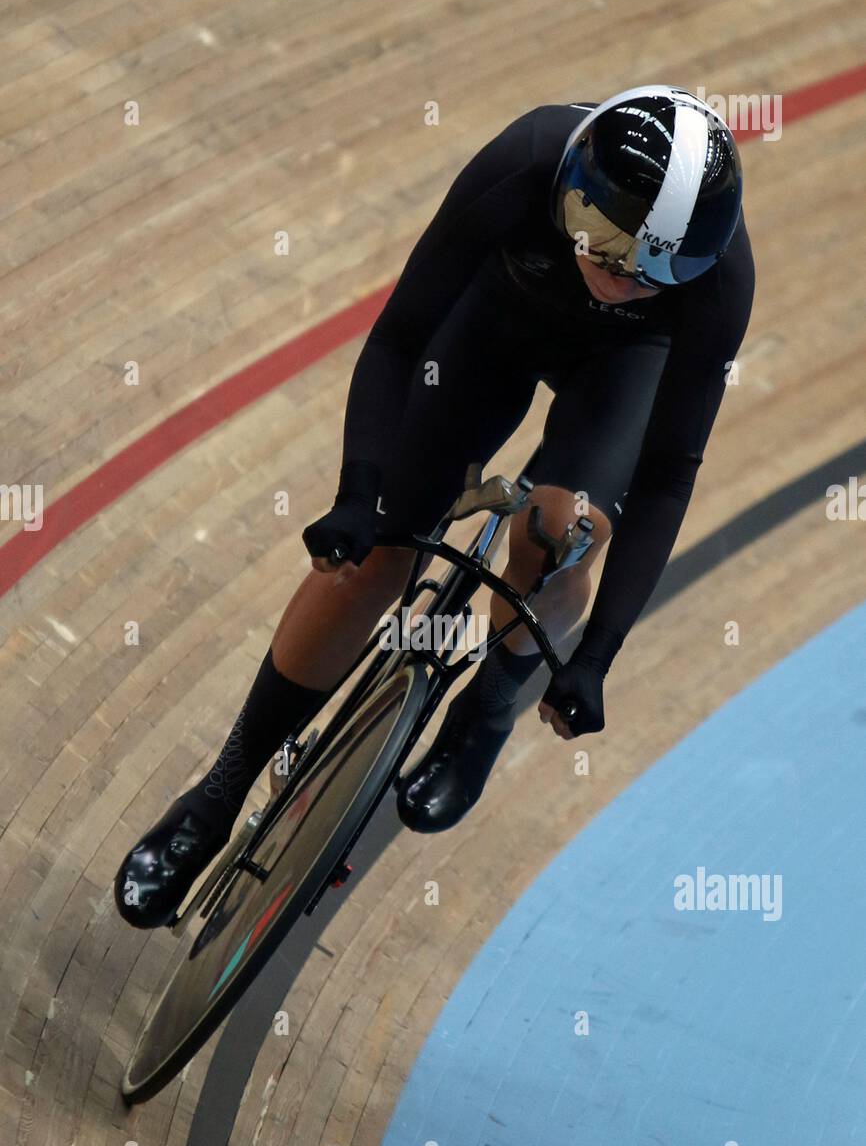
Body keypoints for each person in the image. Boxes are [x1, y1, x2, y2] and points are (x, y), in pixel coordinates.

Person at [114, 85, 754, 929]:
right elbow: (397, 338)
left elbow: (668, 476)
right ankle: (217, 792)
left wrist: (596, 658)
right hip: (500, 317)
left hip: (624, 369)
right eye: (605, 250)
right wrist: (358, 493)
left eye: (659, 274)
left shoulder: (717, 286)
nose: (622, 284)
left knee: (565, 531)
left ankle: (486, 709)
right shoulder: (526, 161)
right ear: (572, 196)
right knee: (376, 555)